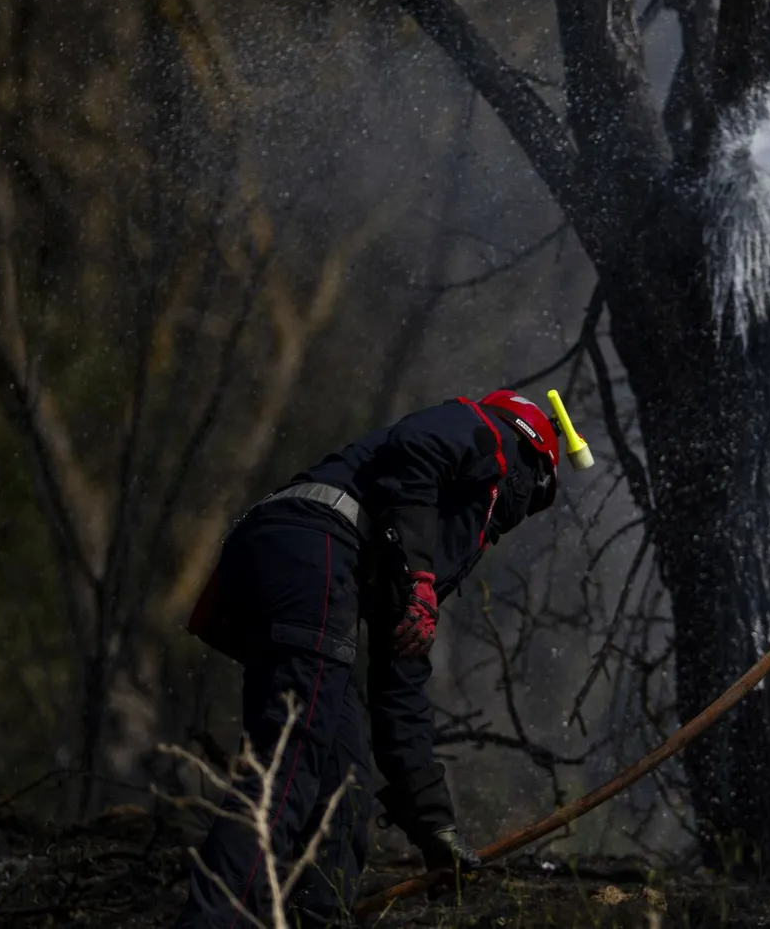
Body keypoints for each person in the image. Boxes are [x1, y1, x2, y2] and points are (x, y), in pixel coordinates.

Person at [174, 390, 574, 928]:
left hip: (286, 556)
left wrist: (434, 825)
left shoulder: (415, 537)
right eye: (536, 497)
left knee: (345, 785)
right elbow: (418, 444)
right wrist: (422, 579)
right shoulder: (489, 436)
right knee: (291, 762)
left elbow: (399, 680)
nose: (521, 516)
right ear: (533, 465)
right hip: (312, 546)